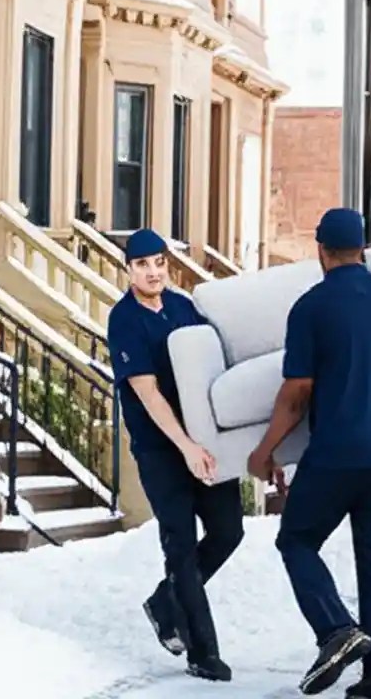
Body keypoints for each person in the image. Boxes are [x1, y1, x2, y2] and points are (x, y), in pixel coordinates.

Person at [248, 208, 371, 698]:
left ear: (320, 251)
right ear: (363, 249)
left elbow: (297, 392)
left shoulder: (312, 307)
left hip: (340, 450)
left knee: (297, 540)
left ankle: (336, 630)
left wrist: (265, 450)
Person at [106, 228, 243, 682]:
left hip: (204, 442)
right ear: (128, 270)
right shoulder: (124, 320)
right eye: (143, 265)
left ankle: (165, 603)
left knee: (228, 530)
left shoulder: (184, 308)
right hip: (161, 450)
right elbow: (147, 393)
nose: (153, 272)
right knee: (180, 544)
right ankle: (203, 652)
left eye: (159, 262)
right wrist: (185, 448)